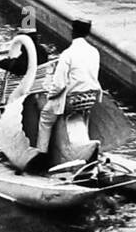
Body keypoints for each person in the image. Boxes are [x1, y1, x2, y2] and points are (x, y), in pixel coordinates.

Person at [28, 19, 101, 170]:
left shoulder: (68, 53)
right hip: (90, 97)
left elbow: (59, 84)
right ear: (88, 33)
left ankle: (41, 155)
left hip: (71, 100)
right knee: (81, 119)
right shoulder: (95, 52)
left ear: (73, 31)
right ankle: (84, 152)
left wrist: (50, 95)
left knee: (46, 118)